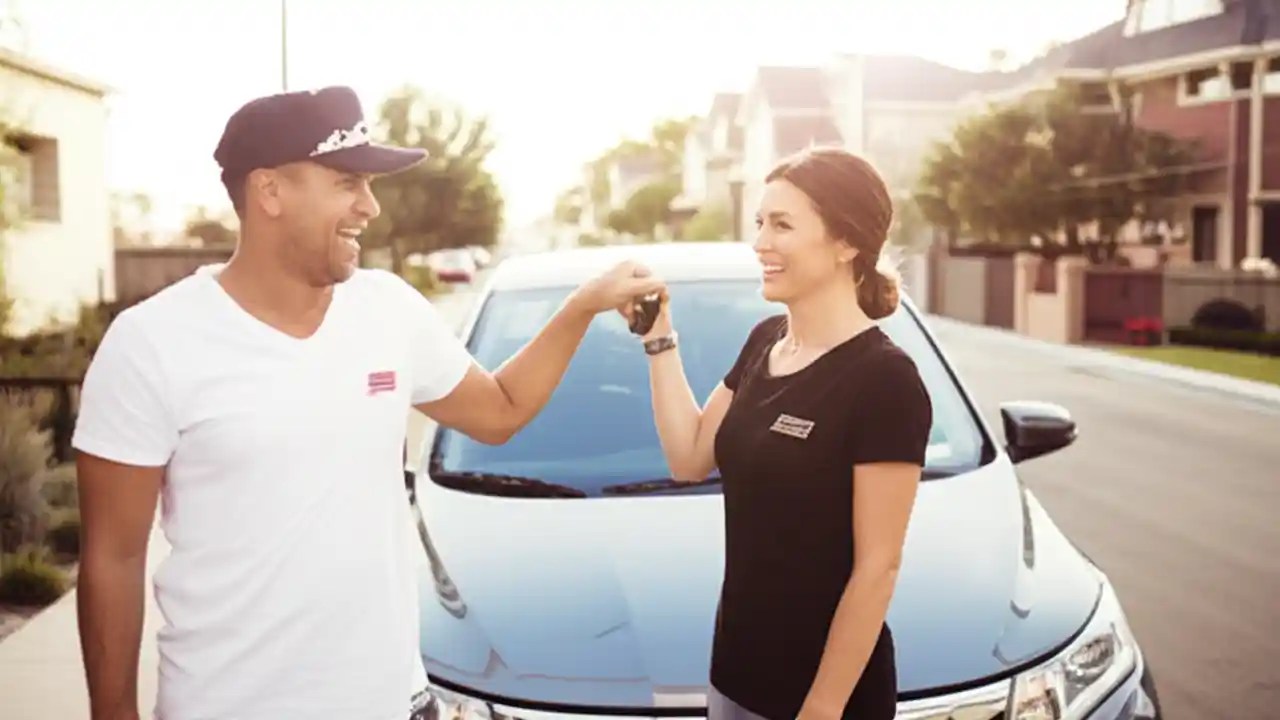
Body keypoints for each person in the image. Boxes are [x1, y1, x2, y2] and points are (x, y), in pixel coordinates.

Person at [72, 85, 664, 720]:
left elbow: (500, 410)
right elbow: (113, 556)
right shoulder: (151, 344)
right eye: (347, 183)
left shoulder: (389, 310)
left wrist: (580, 307)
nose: (370, 206)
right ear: (269, 191)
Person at [632, 147, 932, 720]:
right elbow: (689, 457)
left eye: (783, 224)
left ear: (846, 244)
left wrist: (821, 708)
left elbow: (878, 567)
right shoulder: (764, 341)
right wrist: (659, 338)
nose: (760, 243)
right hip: (733, 678)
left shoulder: (884, 380)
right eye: (760, 223)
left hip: (821, 700)